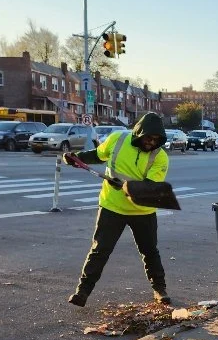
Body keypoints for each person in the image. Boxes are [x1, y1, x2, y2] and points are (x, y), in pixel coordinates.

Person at [65, 112, 172, 307]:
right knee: (100, 250)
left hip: (142, 212)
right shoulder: (117, 139)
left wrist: (123, 186)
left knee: (149, 252)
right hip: (112, 208)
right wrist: (77, 158)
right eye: (149, 138)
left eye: (157, 140)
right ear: (139, 132)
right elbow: (97, 155)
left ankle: (160, 289)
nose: (152, 143)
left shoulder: (160, 157)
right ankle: (82, 292)